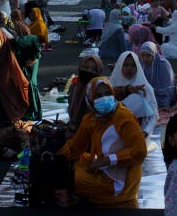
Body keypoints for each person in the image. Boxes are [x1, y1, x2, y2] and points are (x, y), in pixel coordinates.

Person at [56, 77, 147, 209]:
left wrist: (108, 160)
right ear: (90, 99)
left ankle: (79, 198)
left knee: (73, 179)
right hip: (102, 168)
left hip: (121, 182)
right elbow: (75, 147)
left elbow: (140, 151)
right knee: (74, 164)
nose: (104, 98)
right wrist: (57, 158)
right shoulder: (91, 119)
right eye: (98, 95)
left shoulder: (123, 117)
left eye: (107, 94)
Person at [0, 23, 41, 132]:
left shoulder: (14, 44)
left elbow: (35, 39)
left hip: (21, 74)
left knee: (24, 92)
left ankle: (25, 115)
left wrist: (35, 57)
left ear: (0, 36)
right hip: (5, 80)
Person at [110, 51, 158, 137]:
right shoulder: (111, 87)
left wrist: (146, 131)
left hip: (139, 133)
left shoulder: (146, 89)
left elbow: (153, 116)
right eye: (125, 65)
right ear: (120, 66)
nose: (129, 68)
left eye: (133, 65)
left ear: (138, 67)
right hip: (115, 133)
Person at [67, 54, 104, 137]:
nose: (89, 71)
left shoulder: (100, 90)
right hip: (73, 131)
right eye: (86, 67)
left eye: (94, 69)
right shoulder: (75, 87)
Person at [139, 41, 177, 108]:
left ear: (154, 54)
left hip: (163, 96)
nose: (145, 59)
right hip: (148, 96)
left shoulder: (163, 64)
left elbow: (168, 90)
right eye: (142, 55)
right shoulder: (142, 65)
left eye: (148, 55)